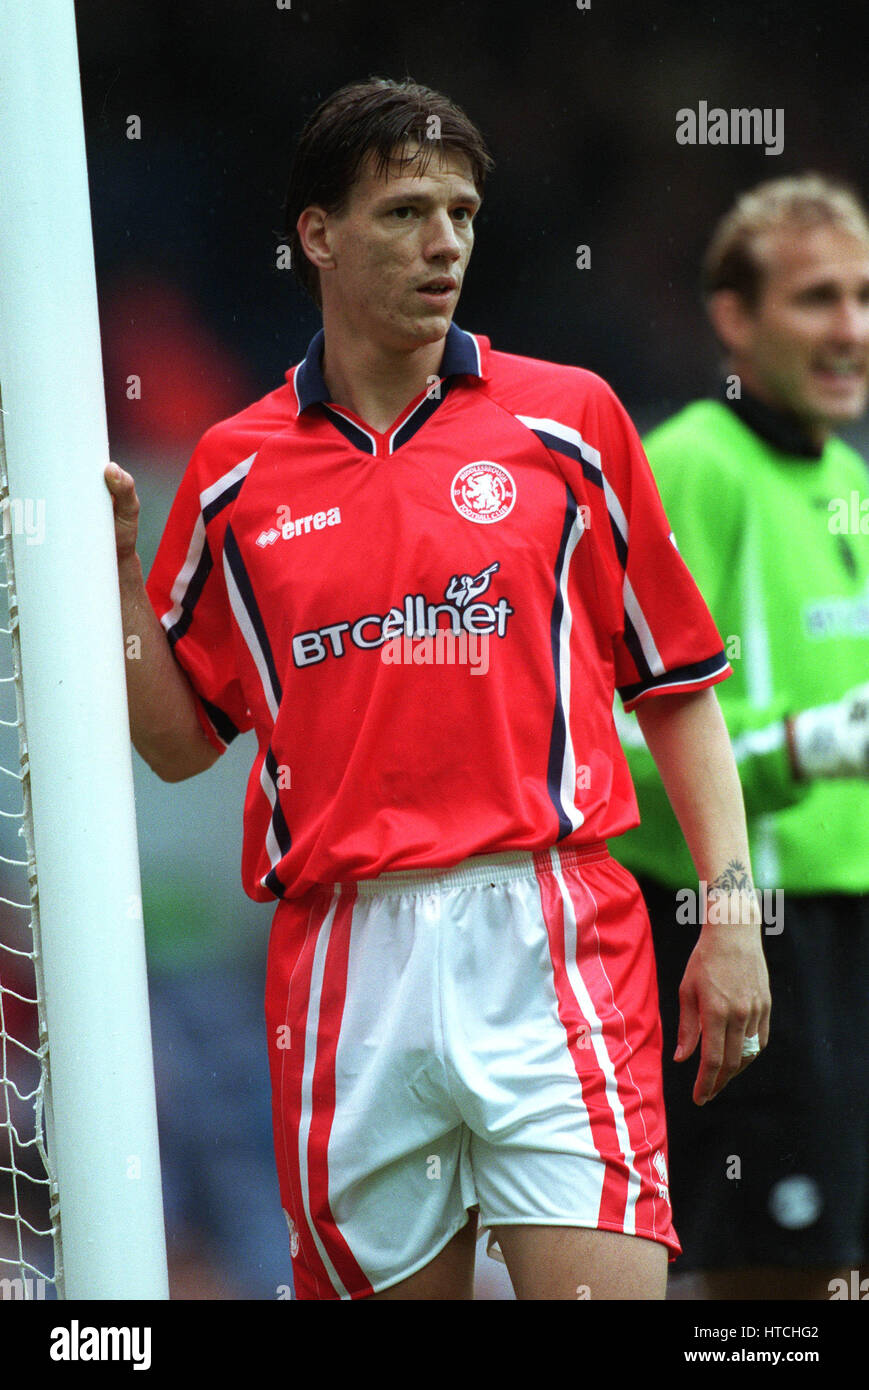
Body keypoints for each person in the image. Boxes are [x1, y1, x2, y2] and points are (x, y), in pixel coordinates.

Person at [104, 77, 769, 1301]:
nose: (445, 242)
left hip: (554, 936)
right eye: (408, 211)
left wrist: (730, 911)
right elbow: (178, 744)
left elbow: (675, 684)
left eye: (461, 213)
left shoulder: (569, 422)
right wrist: (112, 583)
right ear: (316, 232)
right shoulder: (232, 472)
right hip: (346, 962)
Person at [614, 174, 869, 1300]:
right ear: (733, 318)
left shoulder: (849, 482)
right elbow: (619, 738)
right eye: (816, 299)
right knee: (772, 1280)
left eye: (863, 297)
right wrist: (800, 749)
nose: (850, 330)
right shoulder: (688, 464)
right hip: (751, 933)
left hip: (847, 926)